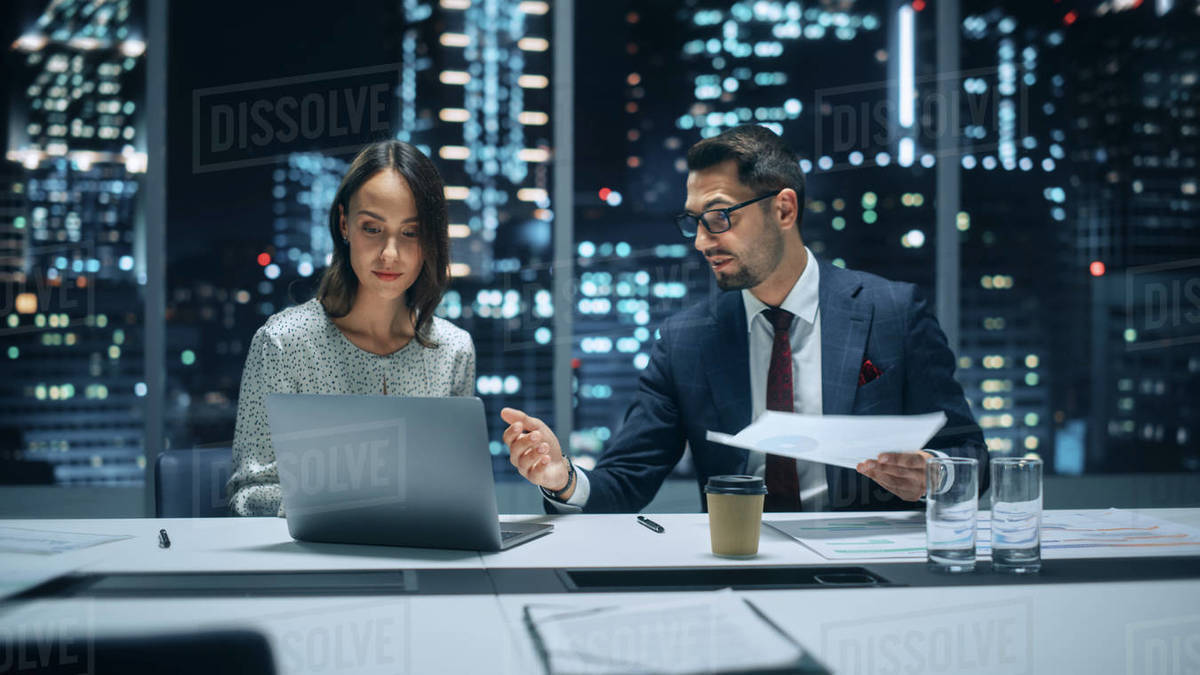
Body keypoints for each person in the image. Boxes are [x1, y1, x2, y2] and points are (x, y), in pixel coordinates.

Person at [502, 125, 988, 513]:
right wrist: (562, 478)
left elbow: (970, 456)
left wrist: (936, 473)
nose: (701, 241)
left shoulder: (892, 312)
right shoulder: (685, 341)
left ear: (783, 209)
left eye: (719, 217)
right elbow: (626, 481)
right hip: (741, 560)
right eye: (693, 221)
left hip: (864, 560)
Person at [227, 140, 475, 517]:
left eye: (410, 233)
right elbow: (249, 495)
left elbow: (458, 493)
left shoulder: (453, 350)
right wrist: (347, 509)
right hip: (316, 565)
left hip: (423, 562)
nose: (389, 254)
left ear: (429, 240)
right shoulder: (283, 343)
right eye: (372, 228)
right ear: (344, 224)